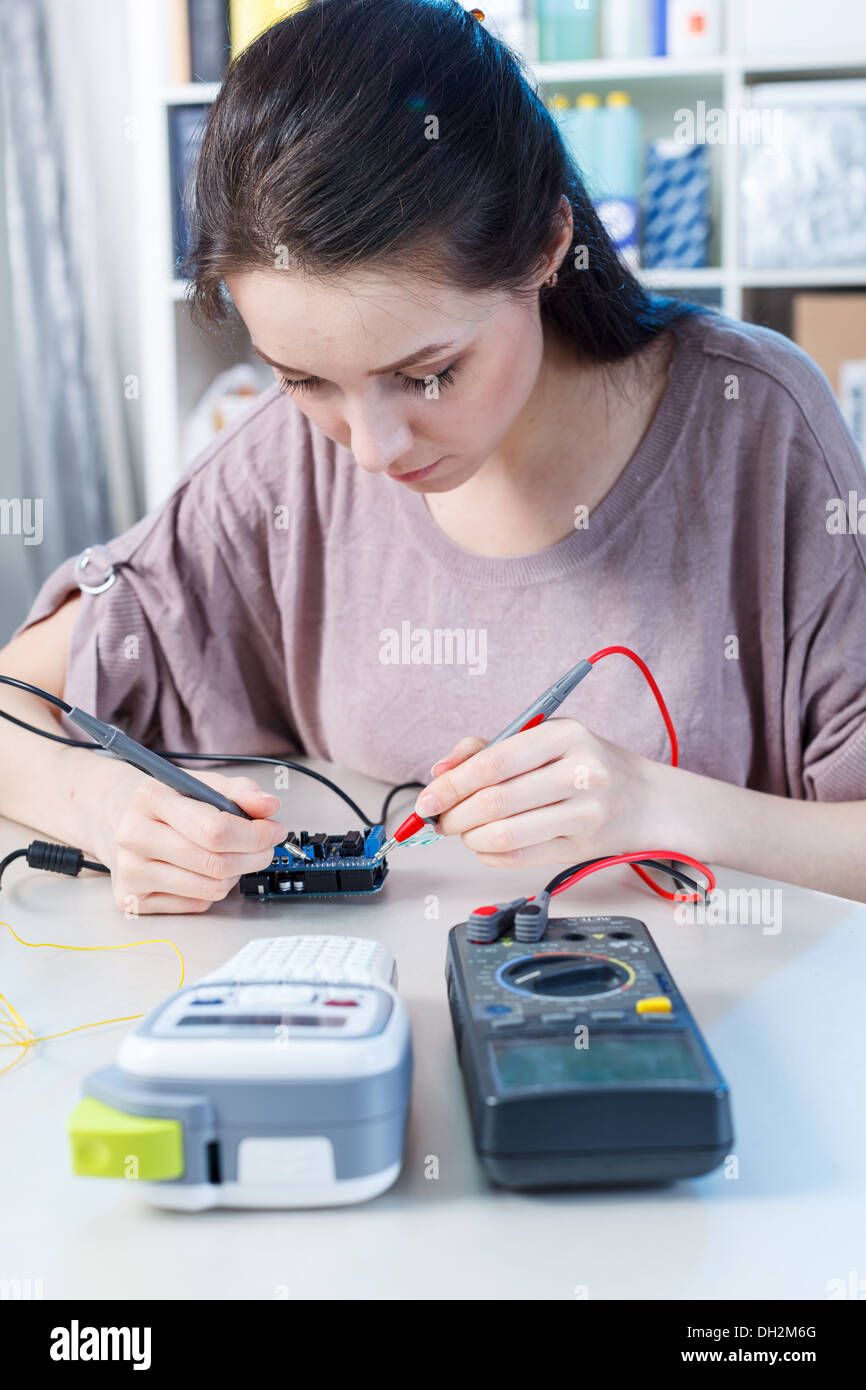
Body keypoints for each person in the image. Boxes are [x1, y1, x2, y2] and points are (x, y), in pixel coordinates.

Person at [3, 0, 866, 915]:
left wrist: (657, 807)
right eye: (305, 379)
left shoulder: (757, 425)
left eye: (428, 374)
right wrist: (103, 807)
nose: (370, 451)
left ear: (546, 246)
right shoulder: (279, 471)